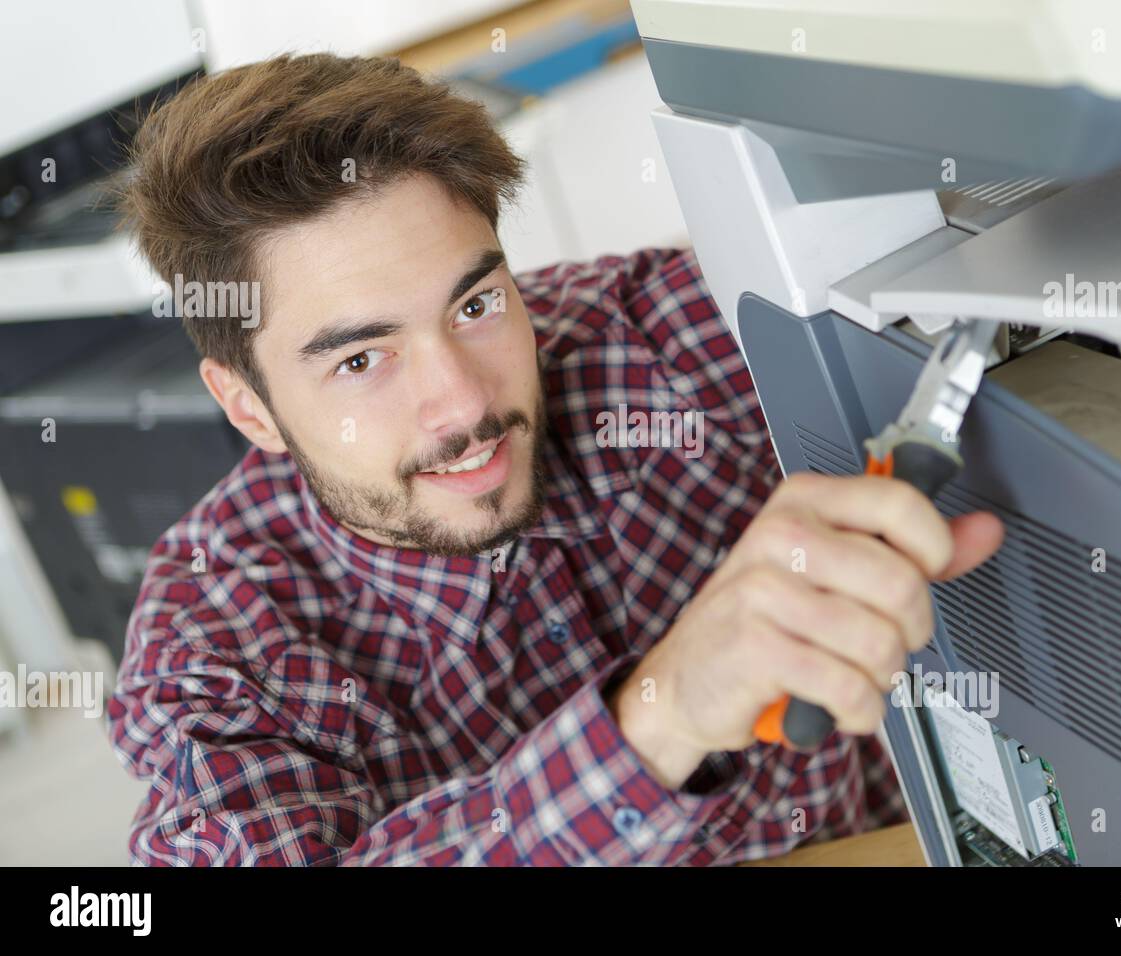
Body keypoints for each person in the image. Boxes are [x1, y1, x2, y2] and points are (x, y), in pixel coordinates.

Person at [106, 52, 1003, 865]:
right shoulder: (214, 650)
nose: (462, 403)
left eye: (475, 306)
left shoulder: (647, 340)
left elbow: (966, 258)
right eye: (360, 360)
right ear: (249, 407)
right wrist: (660, 715)